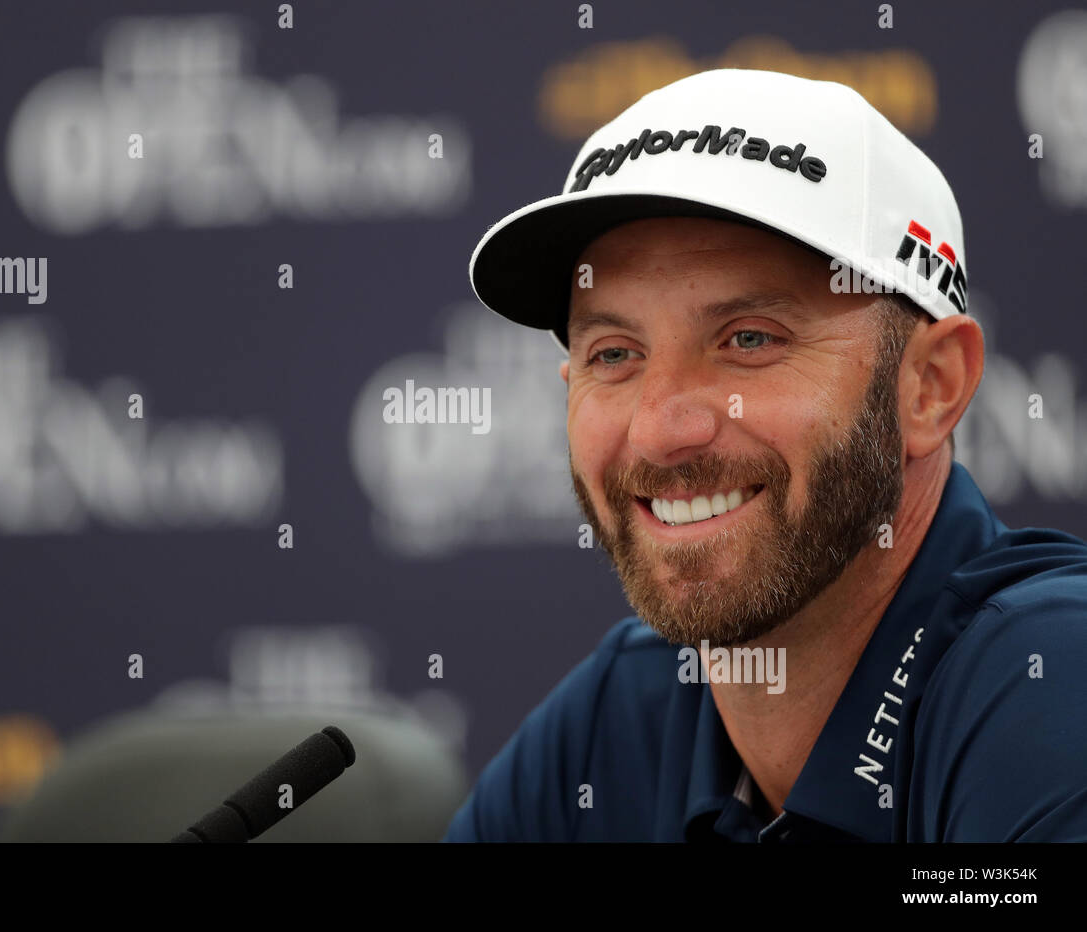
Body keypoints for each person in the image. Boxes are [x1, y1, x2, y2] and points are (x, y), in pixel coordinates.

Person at [444, 68, 1087, 842]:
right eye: (614, 354)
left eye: (749, 339)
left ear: (930, 385)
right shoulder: (617, 720)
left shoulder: (1054, 681)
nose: (659, 428)